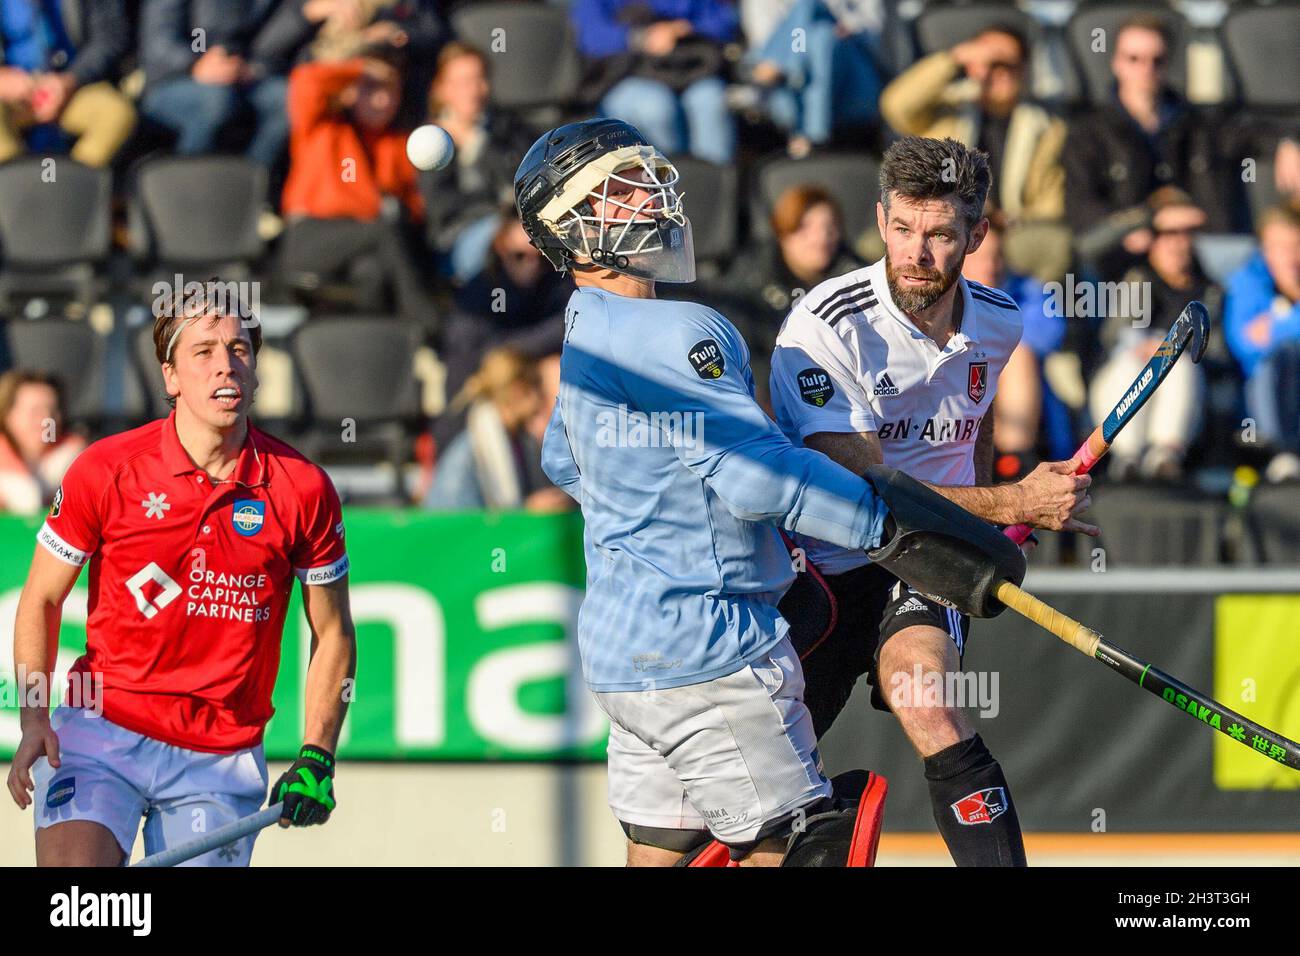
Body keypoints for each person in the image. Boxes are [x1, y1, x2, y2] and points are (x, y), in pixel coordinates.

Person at [518, 117, 911, 866]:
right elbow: (756, 476)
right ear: (574, 230)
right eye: (623, 187)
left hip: (626, 661)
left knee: (660, 852)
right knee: (795, 852)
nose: (653, 195)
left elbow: (563, 462)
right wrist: (889, 527)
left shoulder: (581, 331)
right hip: (711, 656)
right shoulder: (679, 329)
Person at [768, 136, 1098, 867]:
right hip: (822, 567)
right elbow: (868, 488)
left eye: (942, 233)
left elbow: (972, 428)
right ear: (882, 219)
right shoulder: (825, 326)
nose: (918, 251)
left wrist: (995, 521)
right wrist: (1010, 501)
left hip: (924, 562)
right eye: (904, 228)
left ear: (975, 236)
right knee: (764, 772)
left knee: (926, 698)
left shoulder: (998, 320)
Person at [6, 287, 356, 866]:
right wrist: (35, 716)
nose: (226, 364)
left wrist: (318, 753)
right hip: (101, 734)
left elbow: (335, 633)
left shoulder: (305, 488)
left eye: (240, 349)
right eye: (204, 351)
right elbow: (41, 596)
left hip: (220, 756)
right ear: (170, 376)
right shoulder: (106, 468)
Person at [880, 25, 1068, 282]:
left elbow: (1052, 204)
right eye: (988, 62)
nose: (996, 72)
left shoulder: (1047, 128)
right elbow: (896, 106)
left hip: (1012, 231)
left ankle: (1028, 318)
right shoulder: (949, 113)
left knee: (1056, 246)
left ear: (1024, 69)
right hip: (939, 222)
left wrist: (1008, 221)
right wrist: (954, 58)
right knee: (875, 243)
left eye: (1006, 63)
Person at [277, 46, 435, 329]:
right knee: (385, 230)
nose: (383, 99)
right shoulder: (322, 126)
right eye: (372, 88)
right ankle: (429, 324)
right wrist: (363, 67)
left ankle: (374, 350)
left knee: (372, 272)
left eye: (391, 90)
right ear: (350, 91)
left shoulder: (397, 143)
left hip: (364, 245)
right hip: (310, 236)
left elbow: (413, 206)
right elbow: (306, 80)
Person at [1064, 15, 1234, 277]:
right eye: (1135, 59)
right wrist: (1148, 221)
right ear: (1116, 63)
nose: (1146, 69)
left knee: (1238, 258)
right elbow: (1080, 205)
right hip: (1123, 251)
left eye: (1157, 60)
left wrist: (1286, 143)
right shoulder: (1087, 131)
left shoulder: (1195, 123)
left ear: (1168, 65)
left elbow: (1248, 136)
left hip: (1191, 245)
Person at [1089, 187, 1221, 481]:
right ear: (1152, 237)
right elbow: (1085, 247)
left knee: (1180, 364)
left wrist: (1171, 349)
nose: (1179, 243)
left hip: (1184, 389)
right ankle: (1128, 458)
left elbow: (1218, 351)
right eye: (1169, 233)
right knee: (1130, 361)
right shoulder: (1133, 275)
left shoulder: (1209, 289)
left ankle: (1165, 457)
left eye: (1186, 233)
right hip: (1118, 383)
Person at [715, 184, 864, 409]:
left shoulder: (857, 280)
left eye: (830, 227)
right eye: (804, 227)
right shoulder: (749, 280)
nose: (820, 238)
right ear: (783, 231)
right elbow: (741, 354)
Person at [960, 206, 1069, 477]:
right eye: (980, 257)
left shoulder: (1027, 290)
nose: (990, 266)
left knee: (1015, 355)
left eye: (996, 257)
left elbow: (1049, 334)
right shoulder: (944, 297)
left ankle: (1014, 465)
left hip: (1028, 395)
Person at [420, 42, 535, 285]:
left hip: (517, 226)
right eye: (463, 82)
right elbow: (442, 209)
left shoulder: (507, 130)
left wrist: (480, 142)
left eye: (480, 79)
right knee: (511, 240)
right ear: (441, 90)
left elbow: (522, 182)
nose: (474, 90)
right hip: (456, 242)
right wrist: (500, 218)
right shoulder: (429, 142)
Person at [571, 0, 738, 164]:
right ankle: (664, 180)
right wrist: (641, 37)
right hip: (627, 74)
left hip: (690, 69)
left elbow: (723, 24)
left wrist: (681, 28)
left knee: (710, 100)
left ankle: (714, 184)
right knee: (654, 109)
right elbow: (592, 37)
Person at [137, 0, 298, 169]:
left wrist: (251, 68)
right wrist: (194, 64)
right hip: (174, 80)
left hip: (243, 77)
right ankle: (186, 184)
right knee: (214, 100)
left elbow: (272, 43)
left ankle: (248, 181)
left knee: (289, 98)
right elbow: (159, 40)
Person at [424, 347, 572, 512]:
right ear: (519, 390)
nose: (541, 399)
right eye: (537, 388)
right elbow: (461, 530)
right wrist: (527, 512)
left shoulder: (518, 443)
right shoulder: (470, 454)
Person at [0, 0, 135, 167]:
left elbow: (110, 38)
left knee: (116, 114)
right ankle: (17, 187)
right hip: (11, 93)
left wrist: (70, 80)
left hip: (73, 84)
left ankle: (69, 185)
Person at [745, 0, 884, 157]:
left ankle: (795, 68)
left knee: (821, 30)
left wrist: (846, 26)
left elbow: (874, 28)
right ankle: (816, 135)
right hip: (793, 72)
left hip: (850, 63)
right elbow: (763, 41)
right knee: (817, 30)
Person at [1225, 204, 1300, 482]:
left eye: (1296, 246)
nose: (1290, 257)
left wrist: (1280, 320)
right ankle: (1282, 451)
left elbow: (1264, 333)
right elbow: (1245, 343)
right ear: (1264, 250)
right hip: (1260, 399)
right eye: (1279, 247)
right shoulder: (1248, 280)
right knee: (1277, 358)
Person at [0, 370, 85, 516]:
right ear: (7, 414)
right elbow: (26, 499)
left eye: (53, 410)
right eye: (35, 411)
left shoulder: (74, 451)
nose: (47, 419)